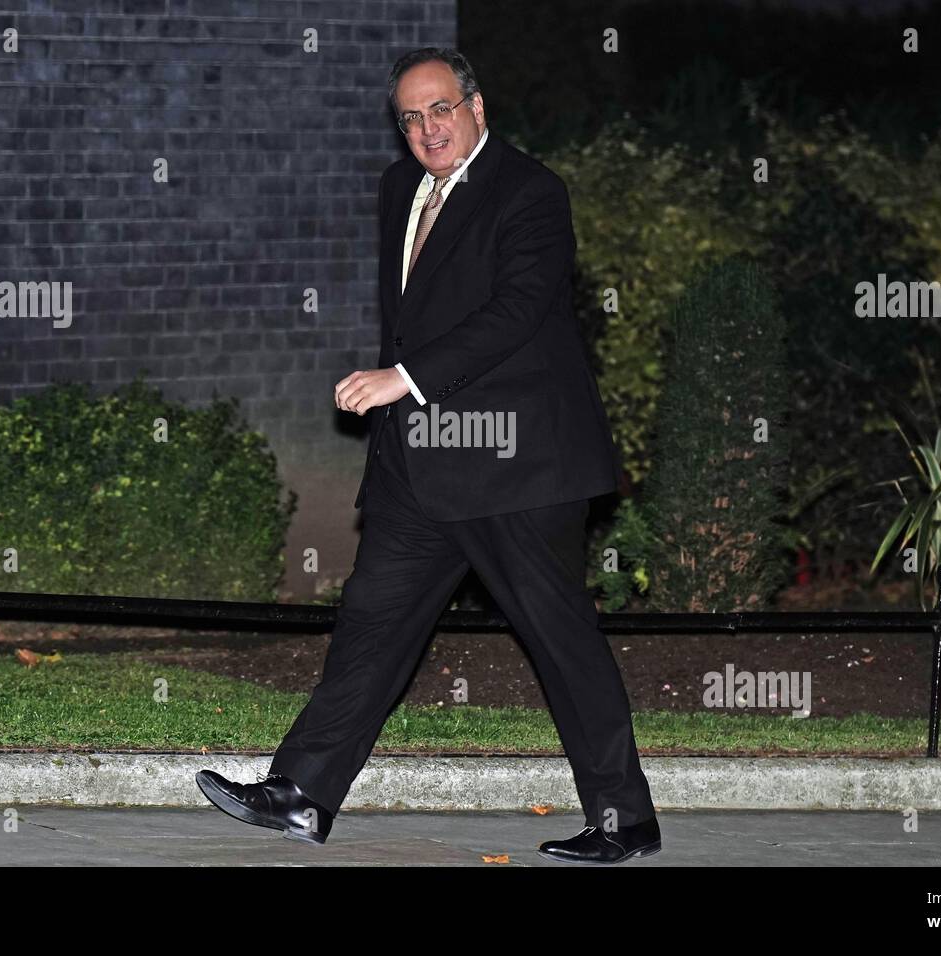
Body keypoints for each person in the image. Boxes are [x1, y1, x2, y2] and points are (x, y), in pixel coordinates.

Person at [197, 46, 660, 865]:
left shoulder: (530, 191)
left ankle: (625, 820)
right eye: (410, 117)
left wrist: (401, 380)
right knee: (371, 623)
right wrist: (399, 414)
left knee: (559, 639)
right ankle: (302, 793)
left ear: (478, 108)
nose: (426, 128)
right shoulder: (397, 189)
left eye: (440, 108)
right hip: (422, 464)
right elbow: (412, 314)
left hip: (518, 464)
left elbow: (519, 310)